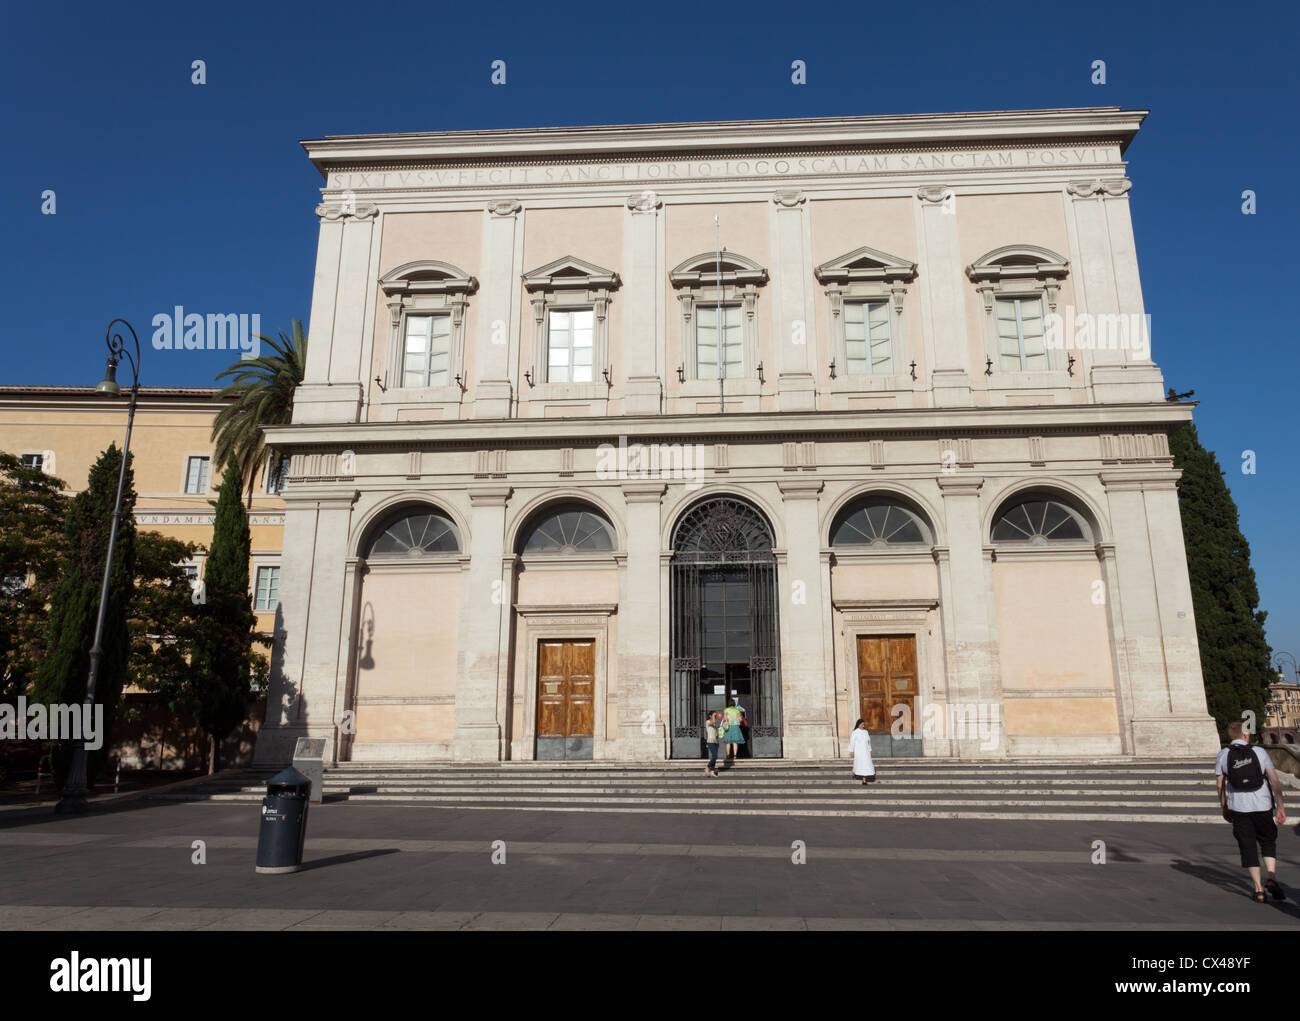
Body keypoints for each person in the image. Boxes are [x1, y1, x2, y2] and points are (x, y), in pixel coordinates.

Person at [1215, 722, 1287, 903]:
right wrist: (1280, 806)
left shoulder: (1224, 754)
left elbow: (1219, 785)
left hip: (1239, 807)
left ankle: (1259, 889)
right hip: (1262, 806)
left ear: (1231, 736)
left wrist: (1224, 806)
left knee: (1248, 847)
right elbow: (1275, 781)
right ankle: (1271, 877)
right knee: (1268, 842)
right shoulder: (1259, 752)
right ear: (1246, 735)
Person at [848, 718, 876, 785]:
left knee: (865, 765)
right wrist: (851, 751)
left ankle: (864, 779)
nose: (863, 726)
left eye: (863, 724)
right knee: (858, 764)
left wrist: (870, 750)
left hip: (865, 752)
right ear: (858, 724)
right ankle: (854, 772)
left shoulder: (866, 732)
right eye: (862, 724)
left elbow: (868, 742)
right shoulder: (855, 732)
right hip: (858, 752)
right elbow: (852, 742)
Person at [721, 699, 745, 764]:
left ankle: (728, 755)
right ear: (734, 703)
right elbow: (740, 719)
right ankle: (735, 756)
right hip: (736, 727)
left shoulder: (726, 710)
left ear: (729, 703)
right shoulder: (737, 710)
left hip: (728, 726)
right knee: (735, 742)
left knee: (728, 742)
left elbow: (725, 719)